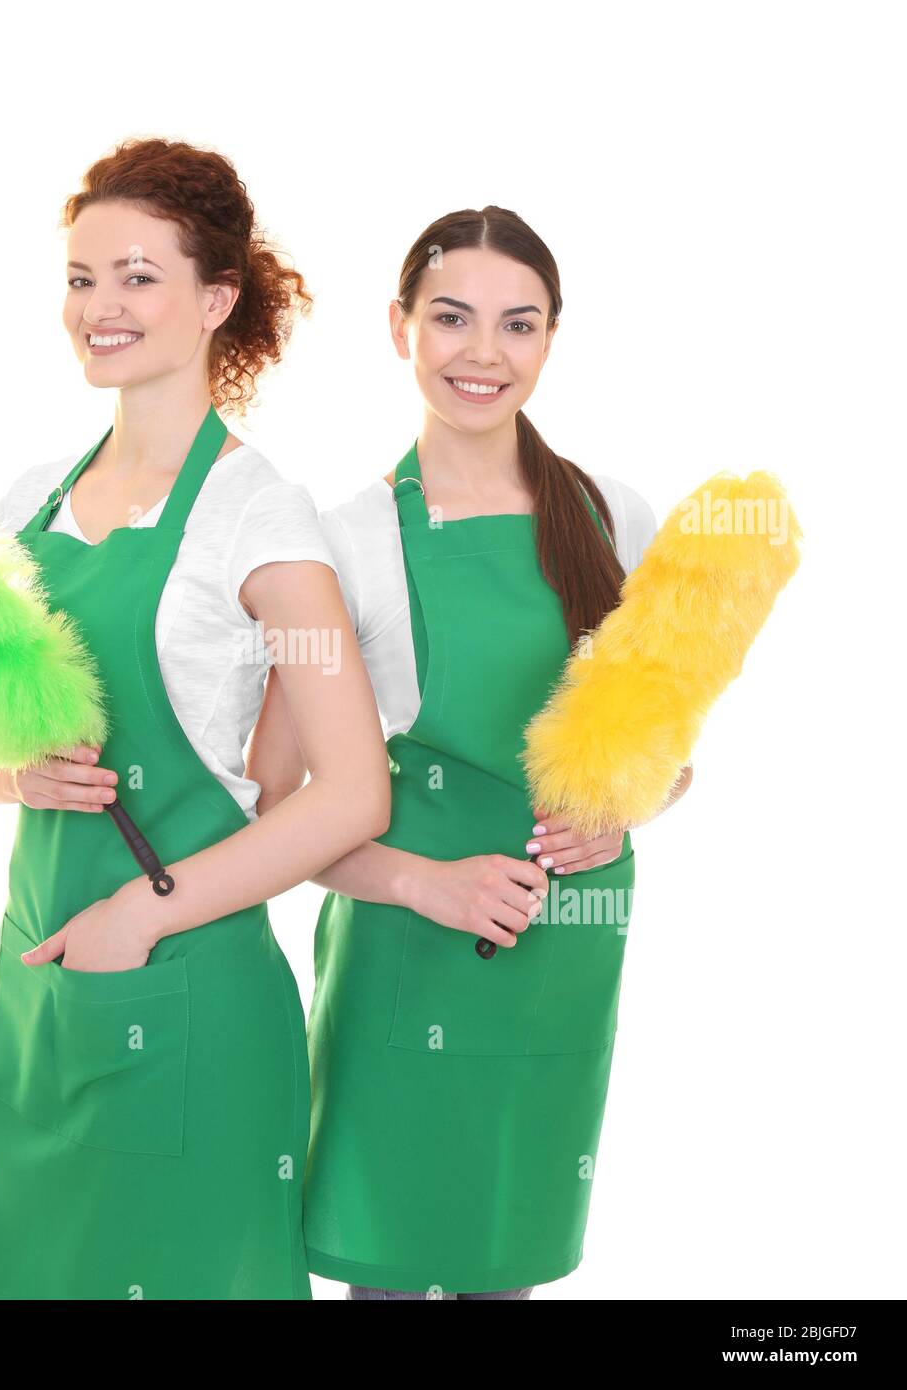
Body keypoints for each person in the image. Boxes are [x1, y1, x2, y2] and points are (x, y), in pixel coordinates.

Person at [0, 138, 389, 1300]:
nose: (99, 307)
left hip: (183, 996)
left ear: (215, 297)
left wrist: (139, 919)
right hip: (39, 992)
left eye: (138, 276)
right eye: (83, 277)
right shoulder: (27, 502)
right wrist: (19, 771)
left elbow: (351, 791)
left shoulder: (261, 515)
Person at [248, 205, 692, 1299]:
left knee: (508, 1268)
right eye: (450, 318)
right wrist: (423, 882)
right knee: (390, 1271)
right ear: (398, 327)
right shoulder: (342, 538)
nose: (483, 353)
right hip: (405, 960)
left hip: (559, 967)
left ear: (550, 338)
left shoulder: (613, 516)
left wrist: (623, 804)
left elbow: (670, 757)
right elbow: (269, 808)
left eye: (518, 323)